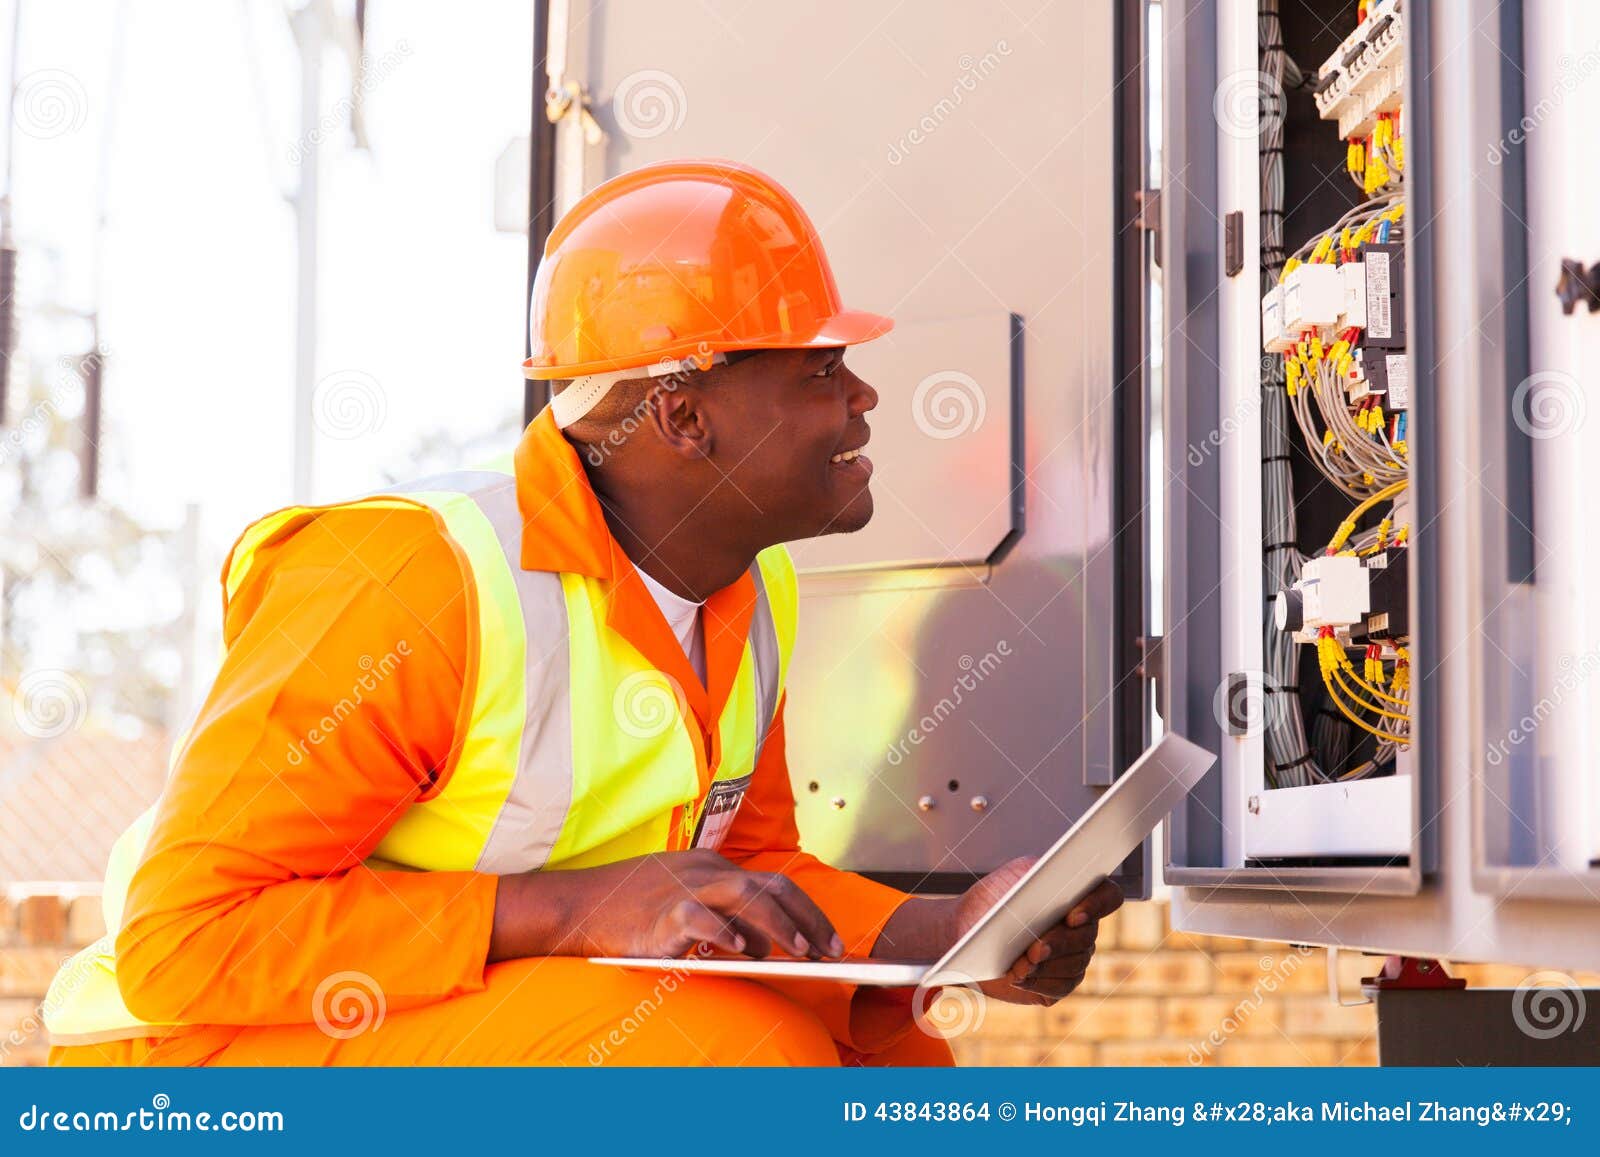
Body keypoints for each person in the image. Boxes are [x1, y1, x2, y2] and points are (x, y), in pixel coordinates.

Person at [46, 159, 1121, 1066]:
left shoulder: (748, 586)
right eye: (819, 369)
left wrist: (951, 929)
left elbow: (758, 879)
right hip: (203, 1049)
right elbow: (184, 939)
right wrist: (567, 907)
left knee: (886, 1053)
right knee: (736, 1059)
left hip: (452, 1020)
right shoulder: (411, 581)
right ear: (681, 414)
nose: (863, 398)